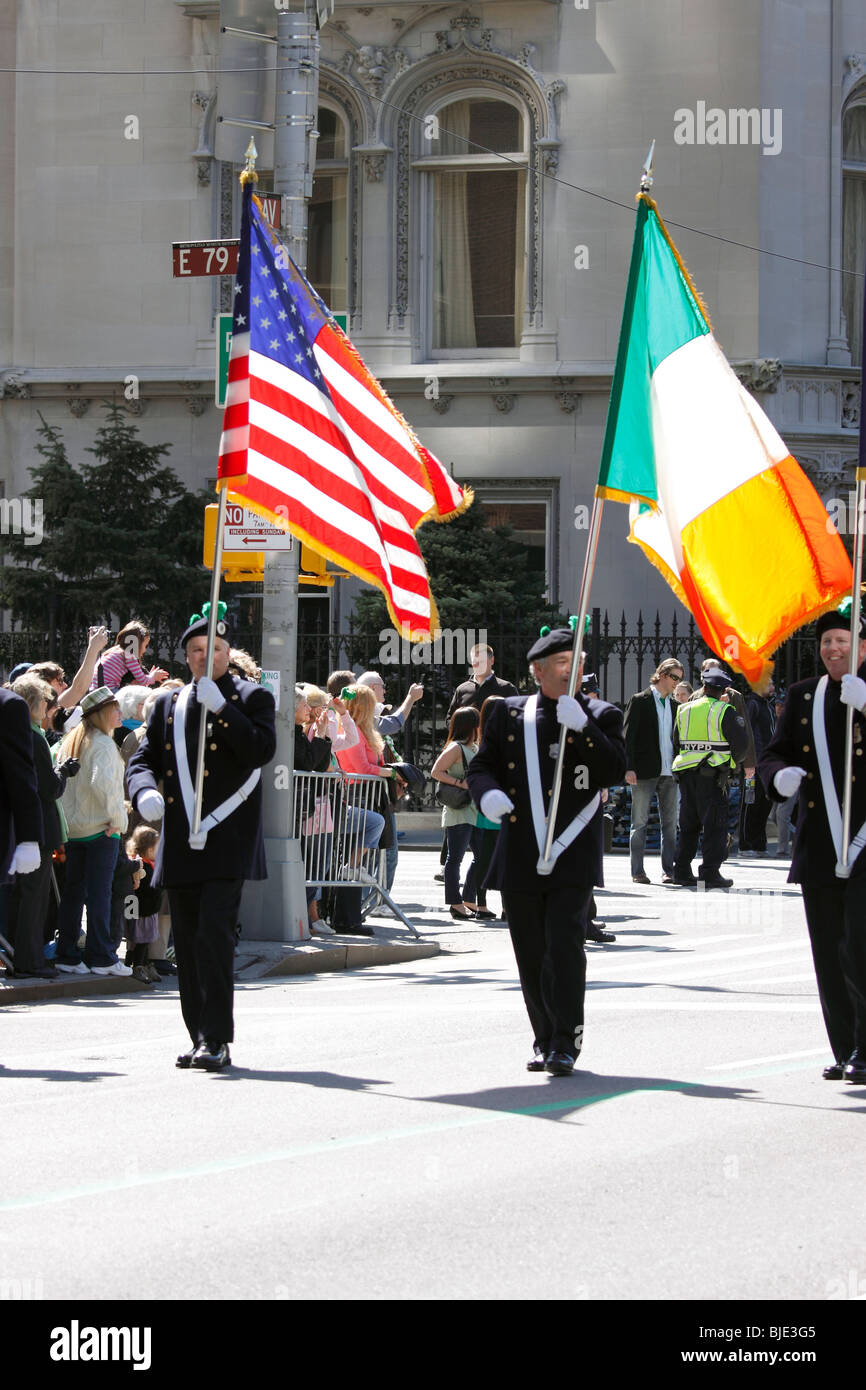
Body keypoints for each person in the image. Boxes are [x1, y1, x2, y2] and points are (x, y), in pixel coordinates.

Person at [467, 626, 626, 1076]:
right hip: (520, 851)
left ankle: (565, 1041)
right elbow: (482, 765)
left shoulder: (602, 713)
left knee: (564, 946)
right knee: (531, 951)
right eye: (561, 663)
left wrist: (586, 728)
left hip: (570, 853)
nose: (572, 670)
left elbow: (614, 768)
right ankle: (543, 1037)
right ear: (537, 671)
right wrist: (487, 793)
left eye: (576, 662)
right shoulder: (508, 714)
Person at [127, 607, 276, 1071]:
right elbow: (143, 758)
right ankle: (197, 1036)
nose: (202, 657)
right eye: (194, 650)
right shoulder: (169, 705)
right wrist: (144, 790)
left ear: (227, 654)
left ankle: (217, 1037)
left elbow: (260, 749)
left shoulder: (251, 698)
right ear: (186, 657)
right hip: (180, 841)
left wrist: (222, 708)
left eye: (212, 649)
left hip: (226, 838)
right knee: (187, 944)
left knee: (214, 937)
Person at [759, 604, 866, 1084]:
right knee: (827, 950)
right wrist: (776, 775)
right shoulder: (804, 696)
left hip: (864, 843)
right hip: (821, 842)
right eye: (827, 642)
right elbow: (774, 751)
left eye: (843, 641)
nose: (833, 649)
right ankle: (845, 1048)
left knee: (859, 948)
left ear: (863, 647)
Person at [54, 686, 132, 976]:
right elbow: (105, 785)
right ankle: (101, 956)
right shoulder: (102, 744)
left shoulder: (71, 740)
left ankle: (68, 953)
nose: (119, 712)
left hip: (74, 830)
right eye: (115, 708)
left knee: (74, 893)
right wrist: (118, 821)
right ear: (101, 713)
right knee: (100, 894)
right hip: (101, 829)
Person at [5, 676, 78, 977]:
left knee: (24, 897)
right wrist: (63, 771)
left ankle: (21, 956)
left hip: (25, 825)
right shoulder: (33, 735)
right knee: (34, 898)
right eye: (45, 701)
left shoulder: (22, 731)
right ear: (33, 703)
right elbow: (48, 788)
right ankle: (29, 960)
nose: (49, 706)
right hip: (40, 825)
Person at [671, 661, 750, 889]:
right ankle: (709, 873)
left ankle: (682, 871)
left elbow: (676, 741)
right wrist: (732, 765)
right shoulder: (725, 711)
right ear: (723, 690)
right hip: (714, 776)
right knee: (715, 825)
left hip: (686, 775)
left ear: (703, 686)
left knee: (688, 825)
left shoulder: (684, 709)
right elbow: (742, 745)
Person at [333, 684, 389, 934]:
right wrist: (391, 772)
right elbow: (361, 769)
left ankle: (351, 918)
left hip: (363, 794)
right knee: (350, 863)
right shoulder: (350, 728)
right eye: (371, 703)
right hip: (358, 794)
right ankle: (348, 920)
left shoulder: (356, 729)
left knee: (351, 862)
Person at [623, 657, 684, 885]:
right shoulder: (640, 700)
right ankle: (637, 871)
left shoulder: (676, 706)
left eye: (680, 679)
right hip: (644, 771)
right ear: (663, 675)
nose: (677, 684)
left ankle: (669, 870)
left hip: (670, 771)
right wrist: (628, 767)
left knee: (670, 825)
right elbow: (628, 737)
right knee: (638, 822)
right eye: (675, 678)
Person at [431, 707, 482, 920]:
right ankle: (455, 903)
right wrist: (460, 783)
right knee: (455, 858)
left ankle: (468, 897)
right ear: (470, 726)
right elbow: (436, 771)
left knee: (483, 856)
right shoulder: (456, 748)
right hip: (458, 810)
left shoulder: (474, 747)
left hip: (474, 810)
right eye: (477, 723)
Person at [739, 680, 777, 855]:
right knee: (751, 802)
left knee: (764, 803)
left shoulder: (768, 706)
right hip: (754, 764)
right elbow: (747, 734)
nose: (772, 688)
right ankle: (746, 844)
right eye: (769, 684)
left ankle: (759, 843)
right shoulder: (753, 704)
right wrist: (749, 761)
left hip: (767, 764)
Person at [89, 620, 168, 693]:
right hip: (108, 691)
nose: (145, 650)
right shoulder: (129, 655)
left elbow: (141, 680)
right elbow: (142, 681)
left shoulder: (115, 650)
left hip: (95, 689)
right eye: (145, 646)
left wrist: (149, 677)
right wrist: (153, 676)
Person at [447, 643, 518, 719]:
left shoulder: (507, 688)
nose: (477, 665)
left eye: (482, 661)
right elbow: (450, 718)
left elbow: (516, 717)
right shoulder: (461, 689)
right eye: (474, 662)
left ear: (492, 660)